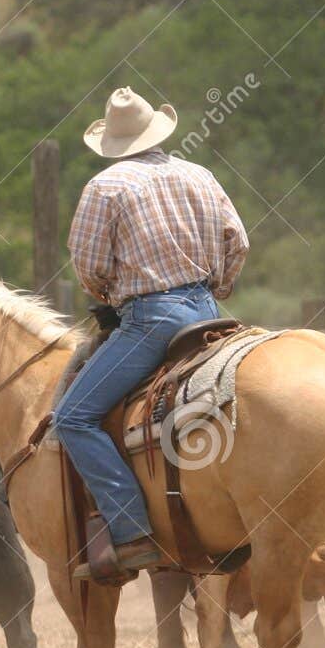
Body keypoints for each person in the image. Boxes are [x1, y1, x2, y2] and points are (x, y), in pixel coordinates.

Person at [56, 87, 249, 580]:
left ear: (112, 141)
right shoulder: (199, 174)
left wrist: (107, 293)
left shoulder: (105, 187)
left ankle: (131, 532)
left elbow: (89, 264)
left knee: (73, 417)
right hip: (210, 311)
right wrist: (216, 285)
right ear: (156, 130)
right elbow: (238, 241)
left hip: (151, 319)